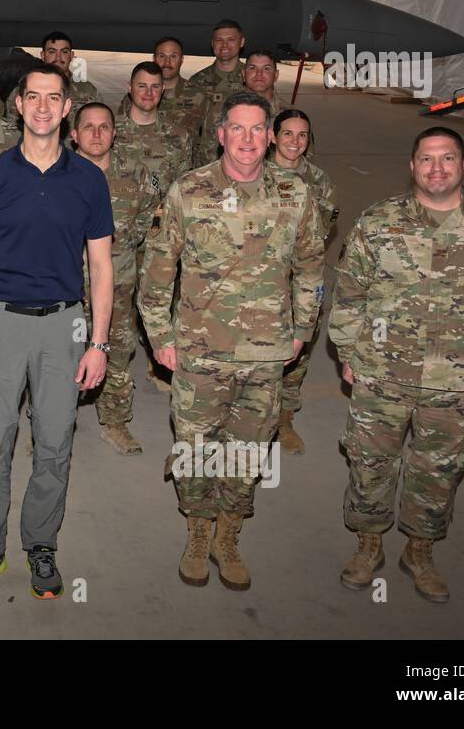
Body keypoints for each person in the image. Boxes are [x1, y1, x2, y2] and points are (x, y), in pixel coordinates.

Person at [330, 126, 464, 603]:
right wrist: (349, 352)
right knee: (370, 462)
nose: (436, 168)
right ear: (412, 165)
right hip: (382, 372)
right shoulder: (378, 221)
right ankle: (369, 543)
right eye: (425, 159)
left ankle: (420, 550)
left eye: (446, 159)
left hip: (456, 381)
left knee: (438, 468)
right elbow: (350, 292)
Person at [139, 90, 324, 591]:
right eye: (236, 128)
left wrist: (303, 331)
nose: (247, 139)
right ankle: (198, 531)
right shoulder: (189, 190)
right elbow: (157, 271)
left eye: (257, 129)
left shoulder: (295, 194)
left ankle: (229, 534)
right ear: (220, 134)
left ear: (270, 137)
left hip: (267, 354)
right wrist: (160, 337)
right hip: (199, 350)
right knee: (196, 447)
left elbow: (310, 266)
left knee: (248, 451)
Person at [0, 63, 114, 600]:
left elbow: (102, 268)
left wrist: (97, 342)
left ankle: (41, 545)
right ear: (17, 105)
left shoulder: (90, 180)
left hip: (64, 326)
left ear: (67, 108)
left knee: (54, 442)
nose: (43, 107)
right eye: (33, 97)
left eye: (54, 98)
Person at [71, 101, 159, 455]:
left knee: (116, 353)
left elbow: (149, 222)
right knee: (58, 357)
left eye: (104, 126)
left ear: (115, 132)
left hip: (118, 285)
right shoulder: (57, 172)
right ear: (73, 134)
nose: (96, 134)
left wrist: (121, 252)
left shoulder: (135, 173)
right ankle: (49, 425)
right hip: (66, 287)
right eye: (88, 127)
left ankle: (116, 422)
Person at [267, 108, 337, 454]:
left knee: (297, 351)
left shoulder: (319, 181)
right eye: (288, 133)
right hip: (261, 280)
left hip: (300, 279)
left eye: (303, 135)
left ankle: (284, 419)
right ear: (272, 136)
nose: (295, 142)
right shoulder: (256, 173)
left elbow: (321, 232)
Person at [114, 61, 191, 190]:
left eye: (155, 86)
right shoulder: (108, 131)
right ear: (130, 87)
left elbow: (183, 187)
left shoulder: (179, 136)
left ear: (163, 89)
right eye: (142, 86)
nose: (149, 93)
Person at [189, 20, 247, 167]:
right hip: (203, 164)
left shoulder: (252, 78)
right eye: (219, 40)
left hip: (243, 162)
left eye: (231, 40)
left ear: (242, 42)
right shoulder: (197, 81)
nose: (225, 45)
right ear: (212, 44)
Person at [153, 36, 207, 136]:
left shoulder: (198, 96)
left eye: (173, 56)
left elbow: (208, 138)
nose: (167, 62)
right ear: (154, 59)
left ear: (181, 60)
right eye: (162, 56)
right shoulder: (139, 94)